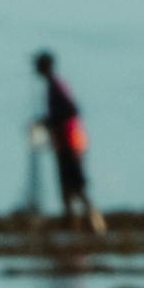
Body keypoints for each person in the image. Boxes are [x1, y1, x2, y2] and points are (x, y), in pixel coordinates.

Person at [31, 51, 98, 229]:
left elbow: (72, 110)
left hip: (70, 141)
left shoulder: (56, 86)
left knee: (76, 185)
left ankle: (93, 221)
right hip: (63, 143)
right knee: (67, 187)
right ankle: (71, 223)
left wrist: (50, 121)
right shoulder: (53, 87)